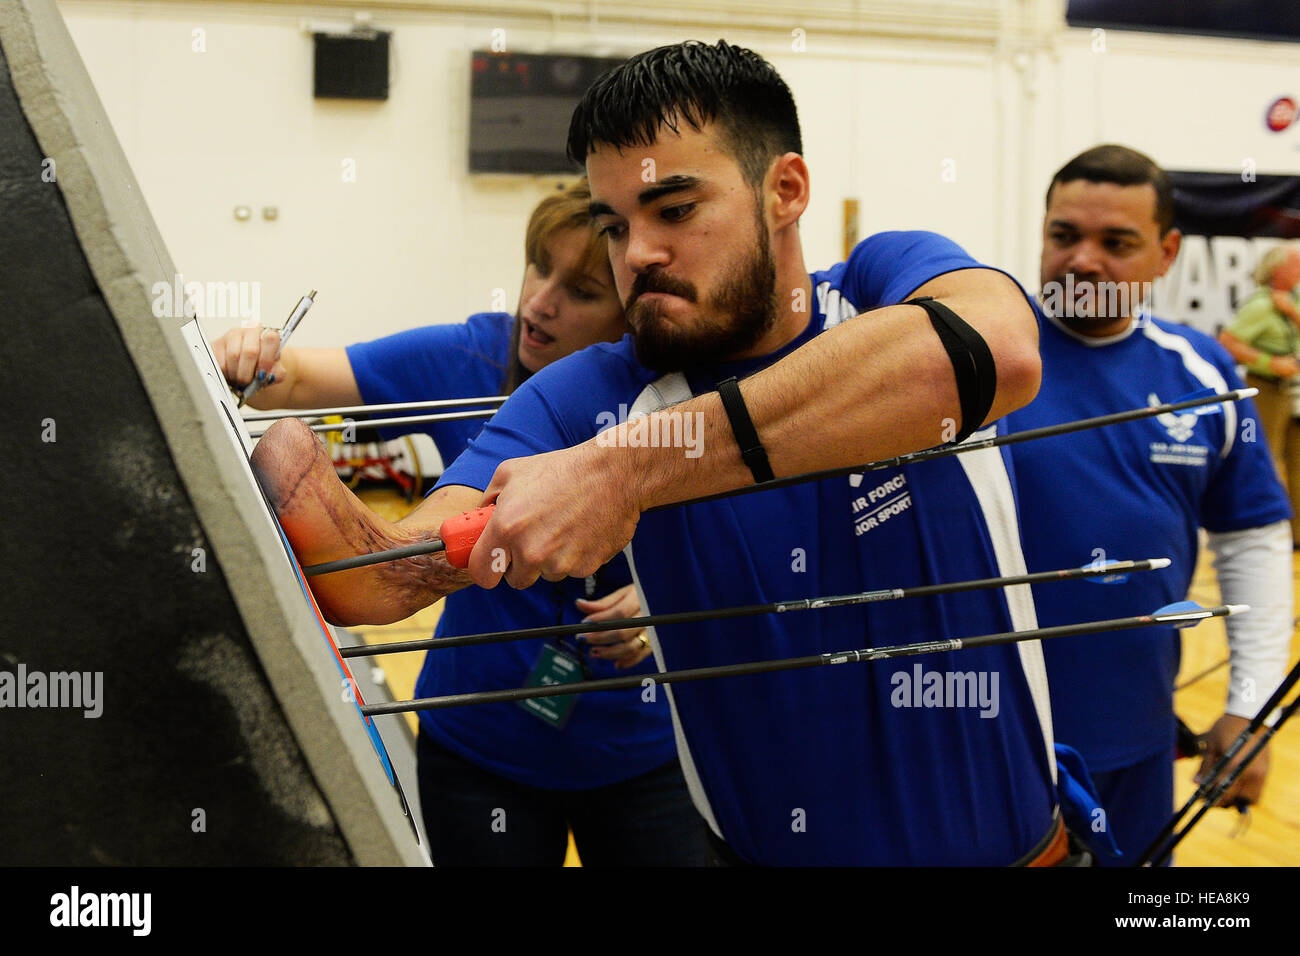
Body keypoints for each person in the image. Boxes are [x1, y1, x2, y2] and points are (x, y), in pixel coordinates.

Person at [252, 40, 1064, 865]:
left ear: (785, 190)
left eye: (674, 210)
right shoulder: (582, 393)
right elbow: (385, 573)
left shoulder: (886, 281)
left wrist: (627, 470)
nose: (637, 252)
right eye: (616, 225)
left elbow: (998, 351)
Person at [216, 180, 714, 867]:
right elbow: (295, 378)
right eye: (540, 265)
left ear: (630, 314)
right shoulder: (470, 356)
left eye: (582, 291)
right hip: (480, 745)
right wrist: (252, 355)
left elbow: (753, 532)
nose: (540, 301)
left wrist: (668, 594)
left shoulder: (682, 393)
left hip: (643, 753)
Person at [1003, 145, 1293, 864]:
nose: (1084, 262)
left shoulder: (1203, 370)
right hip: (984, 740)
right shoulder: (982, 362)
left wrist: (1248, 707)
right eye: (1064, 236)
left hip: (1136, 741)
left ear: (1166, 253)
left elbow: (1252, 538)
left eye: (1117, 243)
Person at [1218, 243, 1300, 544]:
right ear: (1277, 269)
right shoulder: (1261, 305)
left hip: (1293, 392)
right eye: (1295, 265)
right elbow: (1227, 341)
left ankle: (1296, 534)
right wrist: (1269, 362)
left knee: (1297, 461)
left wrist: (1291, 312)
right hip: (1266, 389)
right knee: (1263, 456)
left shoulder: (1294, 300)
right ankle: (1256, 528)